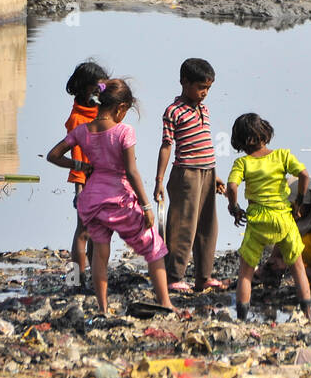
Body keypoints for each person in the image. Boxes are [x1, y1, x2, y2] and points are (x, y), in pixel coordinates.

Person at [47, 78, 172, 315]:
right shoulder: (124, 131)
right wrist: (146, 206)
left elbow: (52, 155)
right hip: (120, 201)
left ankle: (103, 308)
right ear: (120, 108)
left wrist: (80, 166)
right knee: (154, 248)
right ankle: (165, 302)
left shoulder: (82, 131)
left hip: (92, 200)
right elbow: (131, 172)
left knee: (101, 255)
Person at [223, 113, 311, 321]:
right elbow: (304, 175)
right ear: (265, 133)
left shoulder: (242, 163)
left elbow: (232, 186)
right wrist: (298, 201)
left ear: (240, 141)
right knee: (298, 267)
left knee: (245, 271)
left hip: (258, 220)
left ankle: (242, 317)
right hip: (283, 218)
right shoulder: (282, 155)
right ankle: (307, 313)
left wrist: (234, 207)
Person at [154, 58, 227, 293]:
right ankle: (174, 276)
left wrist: (214, 176)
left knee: (208, 225)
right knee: (183, 226)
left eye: (208, 89)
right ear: (184, 82)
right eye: (200, 87)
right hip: (186, 174)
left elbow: (204, 143)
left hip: (207, 172)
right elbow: (166, 146)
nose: (204, 93)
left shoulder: (203, 109)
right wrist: (159, 181)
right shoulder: (173, 111)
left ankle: (203, 277)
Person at [63, 60, 108, 290]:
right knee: (83, 232)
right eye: (95, 89)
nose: (98, 94)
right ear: (83, 88)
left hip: (101, 179)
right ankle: (76, 280)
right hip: (87, 181)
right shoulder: (78, 119)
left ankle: (88, 276)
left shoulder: (96, 112)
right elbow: (78, 158)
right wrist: (79, 190)